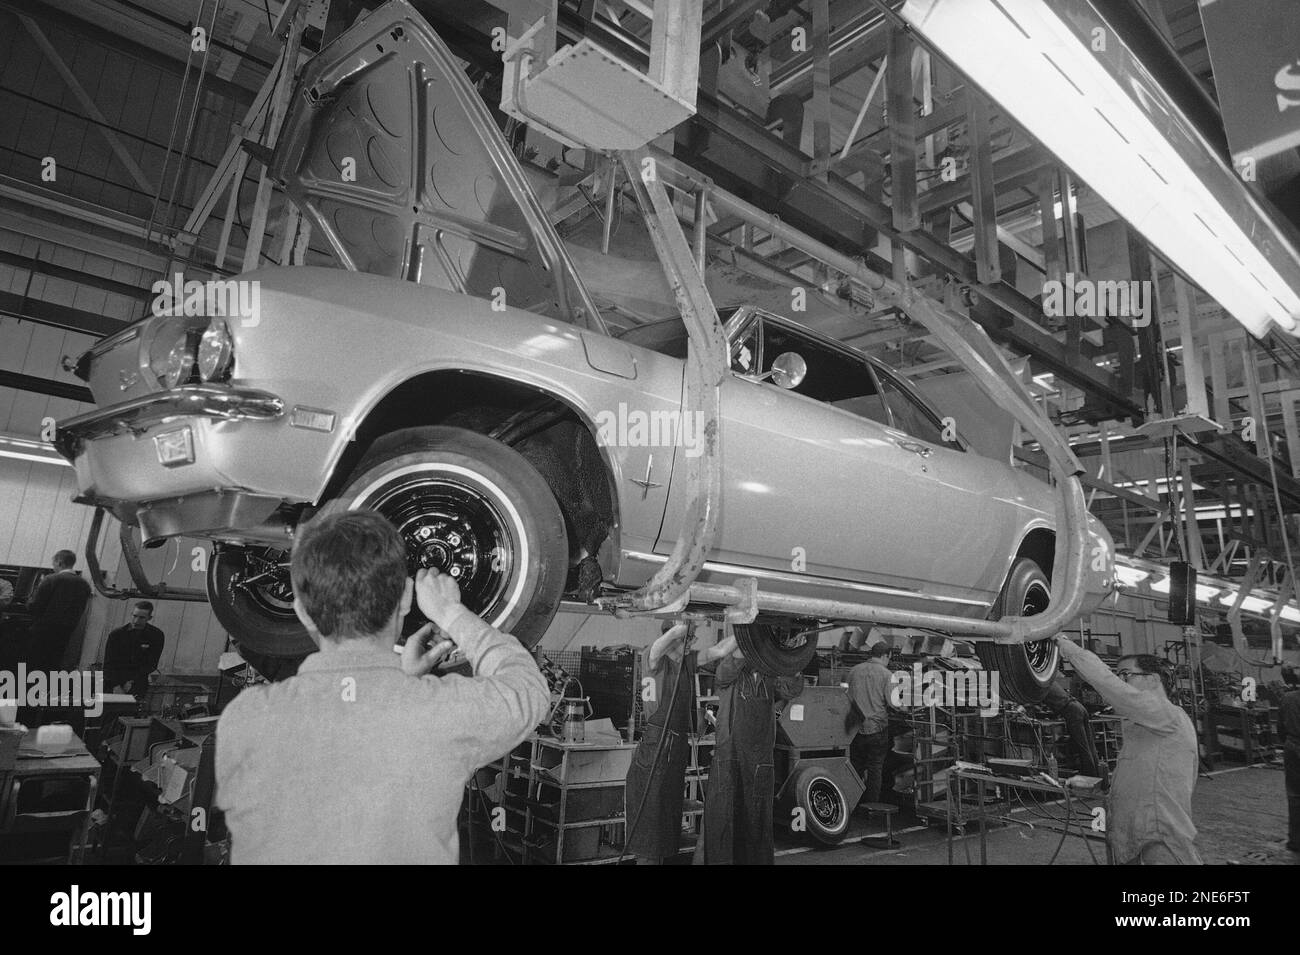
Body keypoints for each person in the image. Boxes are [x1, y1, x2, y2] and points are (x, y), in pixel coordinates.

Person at [215, 510, 549, 864]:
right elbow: (528, 688)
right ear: (406, 597)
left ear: (302, 612)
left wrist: (401, 682)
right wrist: (451, 613)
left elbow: (347, 746)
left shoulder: (244, 720)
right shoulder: (444, 714)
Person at [1055, 637, 1201, 864]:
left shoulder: (1167, 715)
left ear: (1152, 679)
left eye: (1125, 675)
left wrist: (1067, 646)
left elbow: (1110, 686)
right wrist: (1103, 787)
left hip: (1158, 835)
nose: (1121, 682)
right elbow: (1146, 774)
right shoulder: (1146, 726)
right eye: (1119, 676)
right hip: (1134, 834)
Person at [624, 620, 737, 864]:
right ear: (673, 637)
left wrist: (747, 634)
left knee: (666, 824)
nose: (693, 642)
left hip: (675, 749)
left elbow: (718, 651)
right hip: (656, 747)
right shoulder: (652, 658)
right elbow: (666, 639)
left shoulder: (687, 662)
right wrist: (686, 622)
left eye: (694, 637)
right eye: (690, 637)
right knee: (650, 822)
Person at [695, 628, 803, 865]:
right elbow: (730, 665)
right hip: (729, 756)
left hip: (759, 759)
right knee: (723, 816)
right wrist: (754, 640)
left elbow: (792, 689)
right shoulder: (729, 675)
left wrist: (793, 656)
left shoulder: (768, 677)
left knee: (757, 818)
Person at [26, 550, 91, 671]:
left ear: (59, 562)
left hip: (42, 630)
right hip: (66, 631)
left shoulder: (50, 579)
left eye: (54, 563)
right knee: (54, 662)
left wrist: (29, 602)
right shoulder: (84, 584)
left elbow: (35, 606)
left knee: (35, 664)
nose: (53, 567)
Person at [848, 640, 894, 803]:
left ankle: (853, 802)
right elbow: (893, 702)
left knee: (855, 767)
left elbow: (847, 697)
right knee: (875, 768)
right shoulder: (886, 674)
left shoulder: (853, 671)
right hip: (877, 728)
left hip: (855, 729)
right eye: (889, 658)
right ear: (885, 655)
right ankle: (872, 806)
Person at [1041, 676, 1105, 780]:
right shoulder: (1048, 680)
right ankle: (1098, 777)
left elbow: (1034, 700)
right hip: (1078, 707)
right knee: (1090, 746)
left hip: (1072, 711)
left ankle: (1090, 778)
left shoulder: (1040, 685)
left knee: (1083, 748)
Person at [103, 602, 165, 696]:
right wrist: (116, 686)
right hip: (113, 683)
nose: (136, 621)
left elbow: (152, 664)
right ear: (131, 614)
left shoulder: (156, 635)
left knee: (132, 709)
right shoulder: (117, 634)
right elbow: (108, 663)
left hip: (138, 684)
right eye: (134, 616)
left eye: (142, 618)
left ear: (149, 618)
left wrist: (131, 681)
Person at [1279, 664, 1300, 853]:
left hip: (1291, 747)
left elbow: (1280, 728)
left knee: (1294, 796)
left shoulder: (1287, 698)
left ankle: (1295, 841)